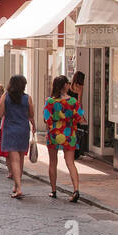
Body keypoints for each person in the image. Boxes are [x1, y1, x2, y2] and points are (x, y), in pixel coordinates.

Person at [44, 74, 84, 202]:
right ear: (66, 85)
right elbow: (80, 118)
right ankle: (76, 189)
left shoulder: (50, 101)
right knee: (70, 162)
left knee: (53, 162)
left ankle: (54, 190)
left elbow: (46, 118)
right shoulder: (73, 101)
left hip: (54, 134)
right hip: (69, 134)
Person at [0, 73, 32, 199]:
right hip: (23, 129)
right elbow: (31, 113)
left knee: (14, 160)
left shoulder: (6, 96)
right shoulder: (27, 98)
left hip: (10, 129)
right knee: (21, 158)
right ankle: (17, 185)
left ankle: (18, 187)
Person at [69, 70, 88, 157]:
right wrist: (81, 114)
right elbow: (79, 102)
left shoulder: (69, 86)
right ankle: (77, 151)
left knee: (71, 131)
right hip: (75, 111)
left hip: (69, 111)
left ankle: (70, 150)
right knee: (78, 131)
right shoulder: (80, 88)